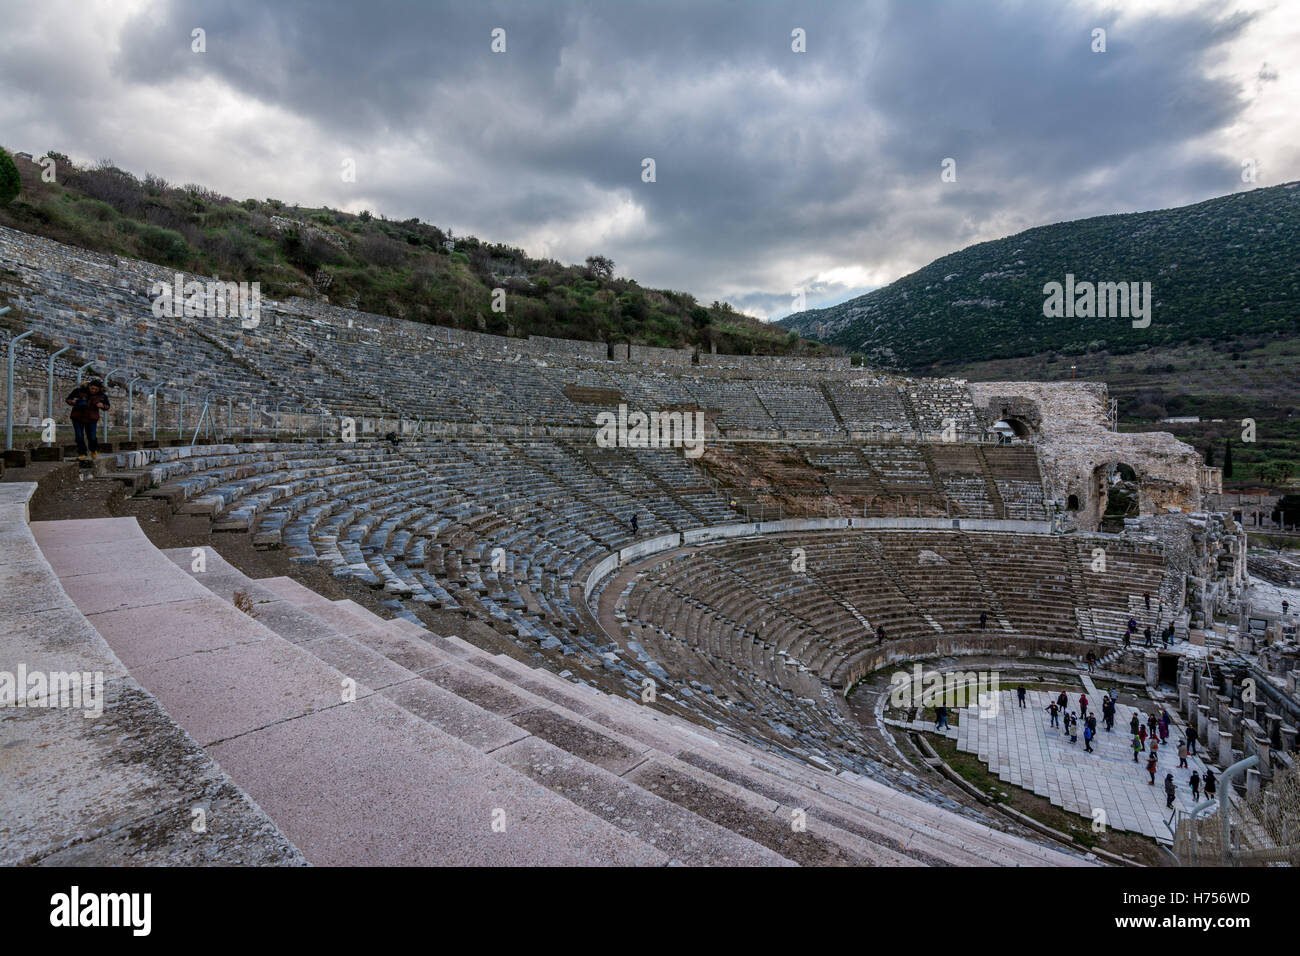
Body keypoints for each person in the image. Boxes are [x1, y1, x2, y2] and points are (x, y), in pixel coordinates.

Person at [65, 379, 111, 461]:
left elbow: (107, 406)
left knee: (92, 436)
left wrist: (102, 406)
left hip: (91, 418)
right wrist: (73, 401)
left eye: (96, 389)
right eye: (92, 388)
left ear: (99, 389)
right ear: (89, 386)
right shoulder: (78, 391)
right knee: (79, 436)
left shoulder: (102, 396)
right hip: (77, 417)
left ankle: (93, 450)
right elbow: (68, 399)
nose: (93, 391)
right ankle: (82, 453)